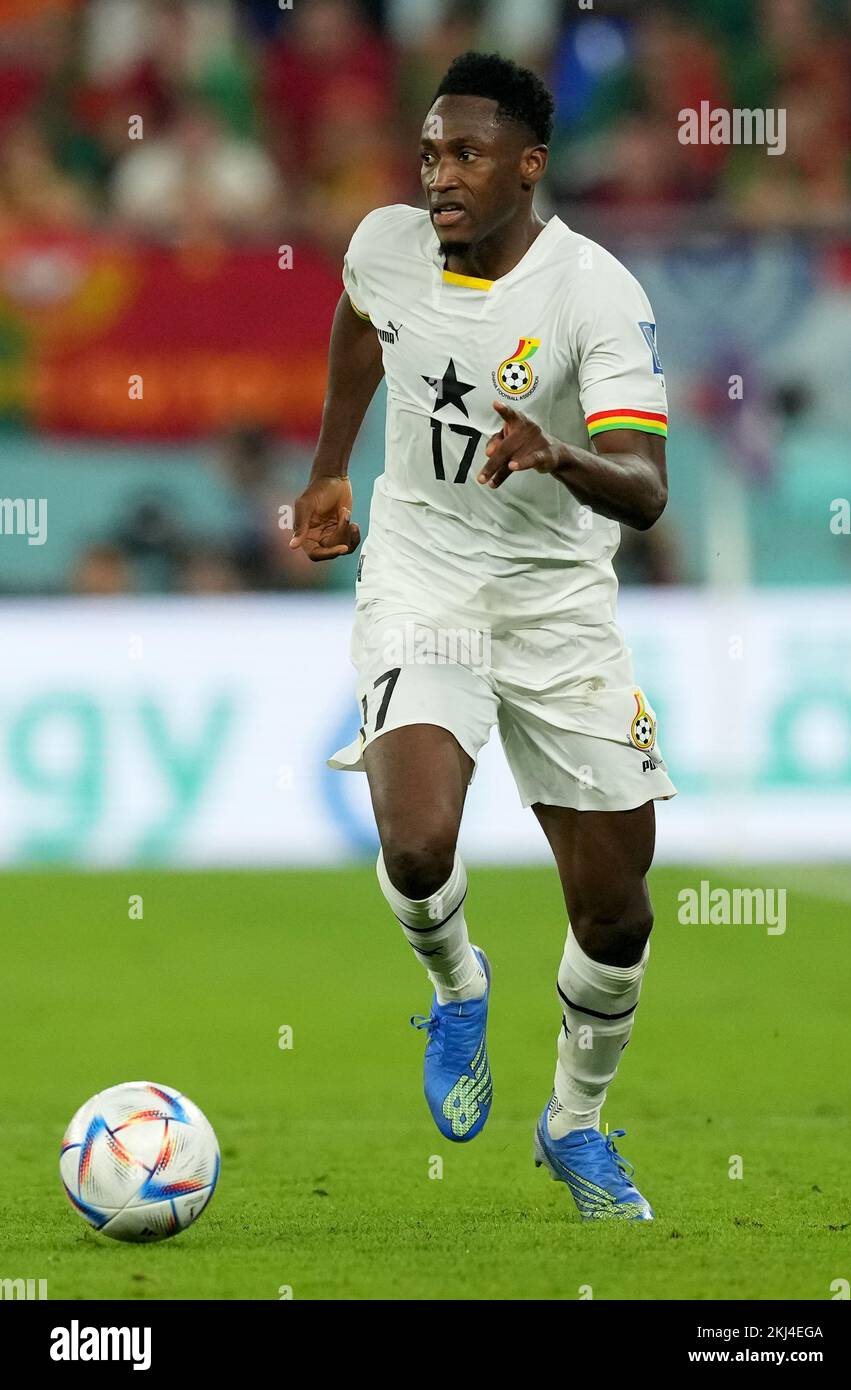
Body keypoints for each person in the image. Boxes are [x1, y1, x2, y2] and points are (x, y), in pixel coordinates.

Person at [291, 51, 675, 1221]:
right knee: (416, 844)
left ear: (529, 165)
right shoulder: (385, 245)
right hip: (426, 581)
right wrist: (328, 472)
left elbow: (649, 488)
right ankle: (459, 986)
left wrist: (557, 453)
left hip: (558, 608)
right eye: (428, 152)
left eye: (464, 155)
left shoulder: (594, 294)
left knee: (615, 913)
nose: (437, 175)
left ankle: (574, 1122)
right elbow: (364, 326)